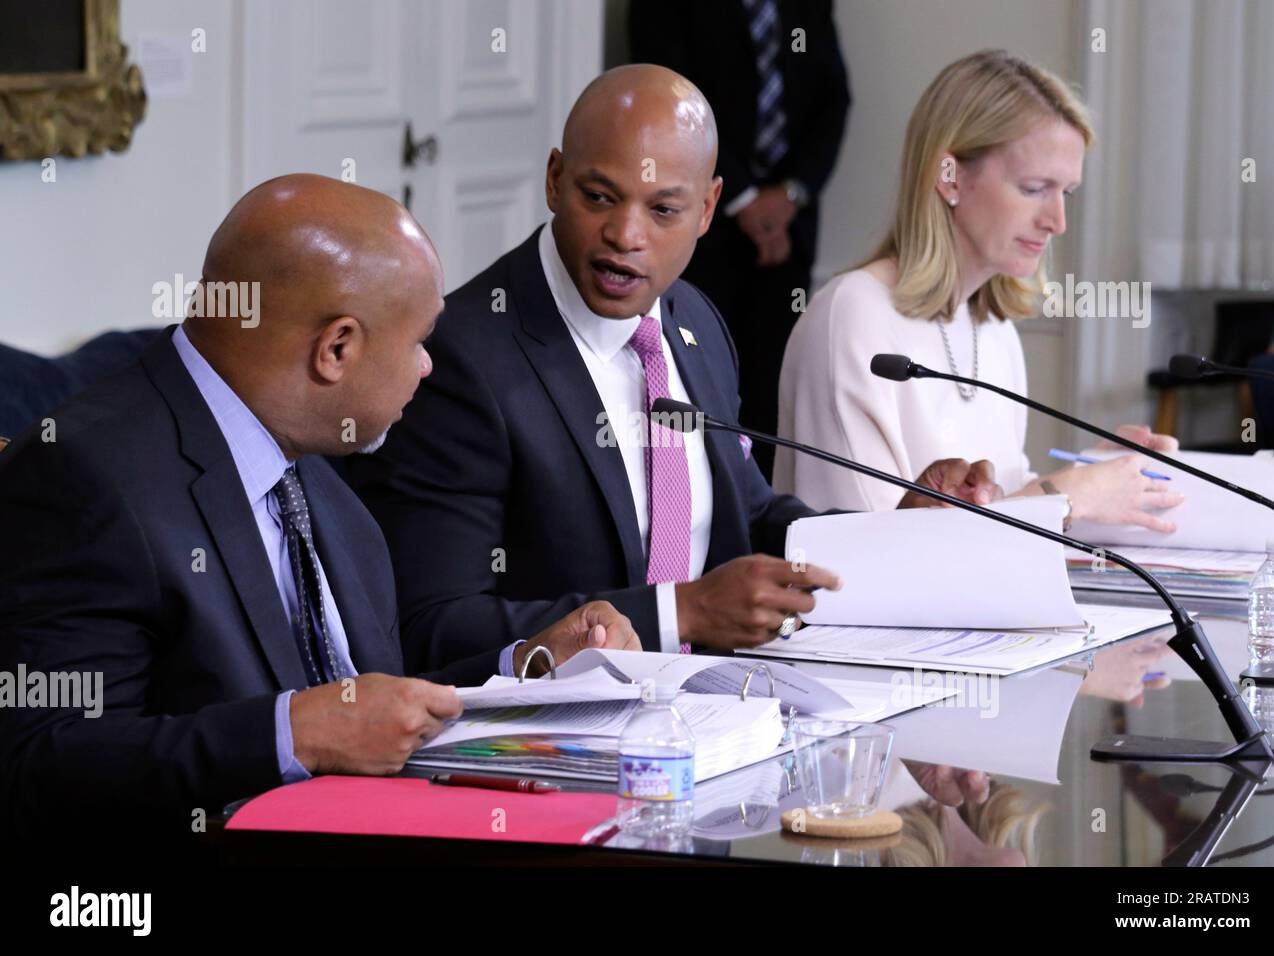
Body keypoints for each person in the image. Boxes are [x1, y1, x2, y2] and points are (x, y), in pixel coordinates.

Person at [0, 174, 636, 855]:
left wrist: (525, 663)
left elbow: (362, 698)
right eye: (421, 341)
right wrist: (292, 733)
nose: (427, 368)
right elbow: (42, 759)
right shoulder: (86, 476)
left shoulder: (319, 474)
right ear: (335, 350)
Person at [350, 65, 998, 674]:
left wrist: (890, 538)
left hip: (711, 723)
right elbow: (429, 627)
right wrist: (679, 612)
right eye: (599, 196)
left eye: (663, 210)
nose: (626, 235)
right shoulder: (464, 358)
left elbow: (746, 516)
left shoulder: (693, 321)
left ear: (709, 209)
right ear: (554, 180)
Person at [776, 50, 1184, 533]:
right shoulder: (851, 316)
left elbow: (1001, 510)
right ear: (949, 177)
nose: (1057, 221)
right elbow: (863, 553)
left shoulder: (994, 330)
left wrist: (1092, 472)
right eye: (1034, 188)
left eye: (1066, 193)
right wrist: (1067, 494)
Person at [629, 0, 851, 480]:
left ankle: (756, 521)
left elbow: (834, 99)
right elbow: (664, 97)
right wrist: (744, 199)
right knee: (695, 380)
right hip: (701, 229)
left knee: (769, 389)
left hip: (788, 231)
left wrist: (790, 195)